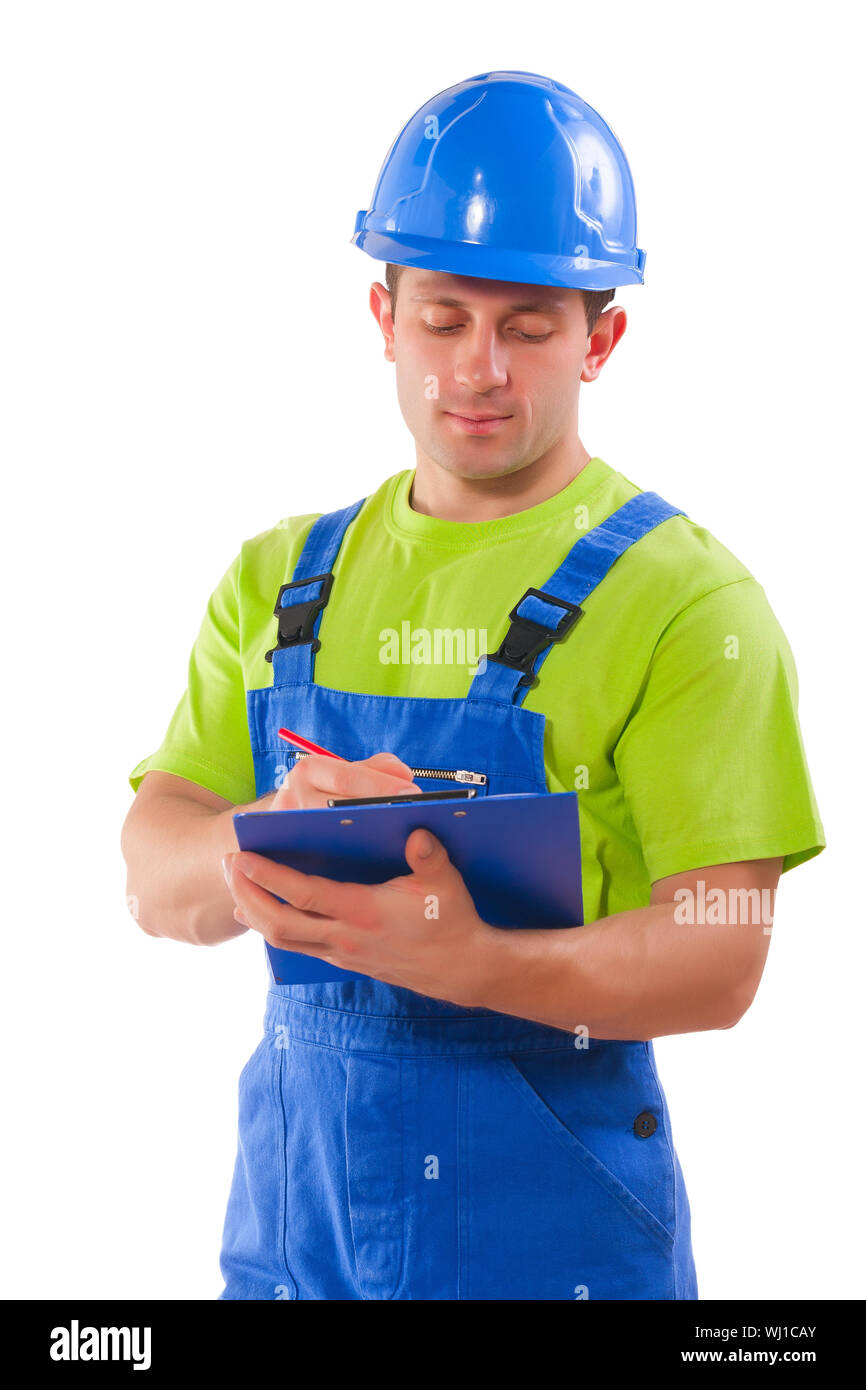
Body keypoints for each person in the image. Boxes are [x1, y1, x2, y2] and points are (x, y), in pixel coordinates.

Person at [121, 71, 825, 1301]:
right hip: (298, 1235)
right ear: (382, 316)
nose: (478, 369)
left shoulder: (686, 603)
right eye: (444, 320)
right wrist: (264, 836)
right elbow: (152, 874)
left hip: (548, 1255)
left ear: (599, 338)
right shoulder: (281, 581)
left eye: (528, 326)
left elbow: (721, 953)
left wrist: (472, 957)